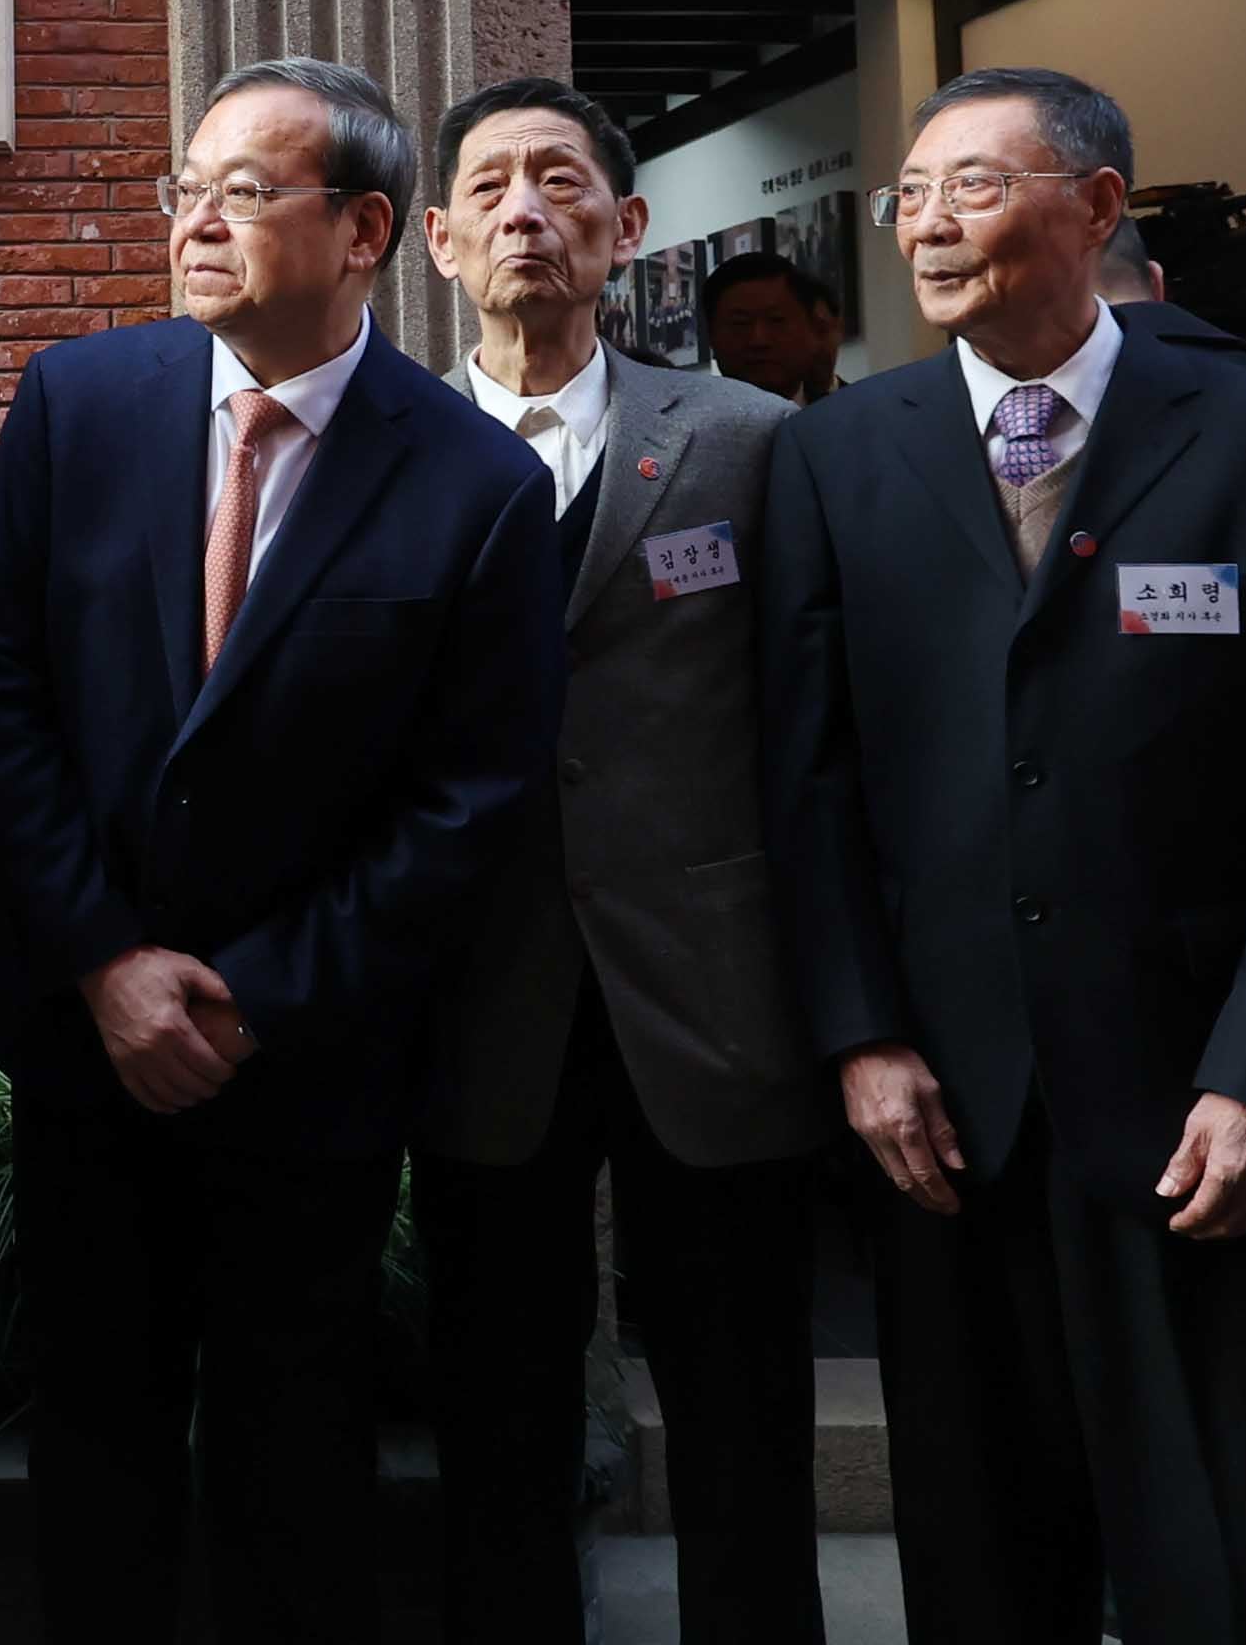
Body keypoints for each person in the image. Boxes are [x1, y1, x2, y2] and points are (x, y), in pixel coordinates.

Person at [0, 56, 566, 1642]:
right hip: (85, 1029)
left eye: (243, 192)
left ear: (364, 230)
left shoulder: (477, 483)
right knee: (95, 1431)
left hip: (307, 1055)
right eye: (186, 190)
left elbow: (473, 793)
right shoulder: (79, 401)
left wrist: (249, 998)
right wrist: (104, 960)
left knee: (299, 1452)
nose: (196, 224)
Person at [758, 67, 1246, 1645]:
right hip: (945, 1110)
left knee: (1237, 1547)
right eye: (911, 193)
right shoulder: (841, 456)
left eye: (972, 185)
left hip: (1193, 1101)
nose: (927, 222)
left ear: (1095, 209)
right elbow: (809, 774)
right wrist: (862, 1035)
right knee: (978, 1549)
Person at [414, 82, 830, 1643]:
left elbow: (807, 726)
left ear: (627, 227)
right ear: (440, 238)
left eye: (564, 181)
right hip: (475, 1002)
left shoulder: (746, 442)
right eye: (493, 187)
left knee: (741, 1401)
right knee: (497, 1405)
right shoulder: (387, 449)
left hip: (708, 999)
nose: (530, 209)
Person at [703, 251, 841, 402]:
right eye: (740, 324)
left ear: (812, 328)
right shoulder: (687, 421)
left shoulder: (859, 417)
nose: (759, 340)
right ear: (711, 336)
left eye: (776, 320)